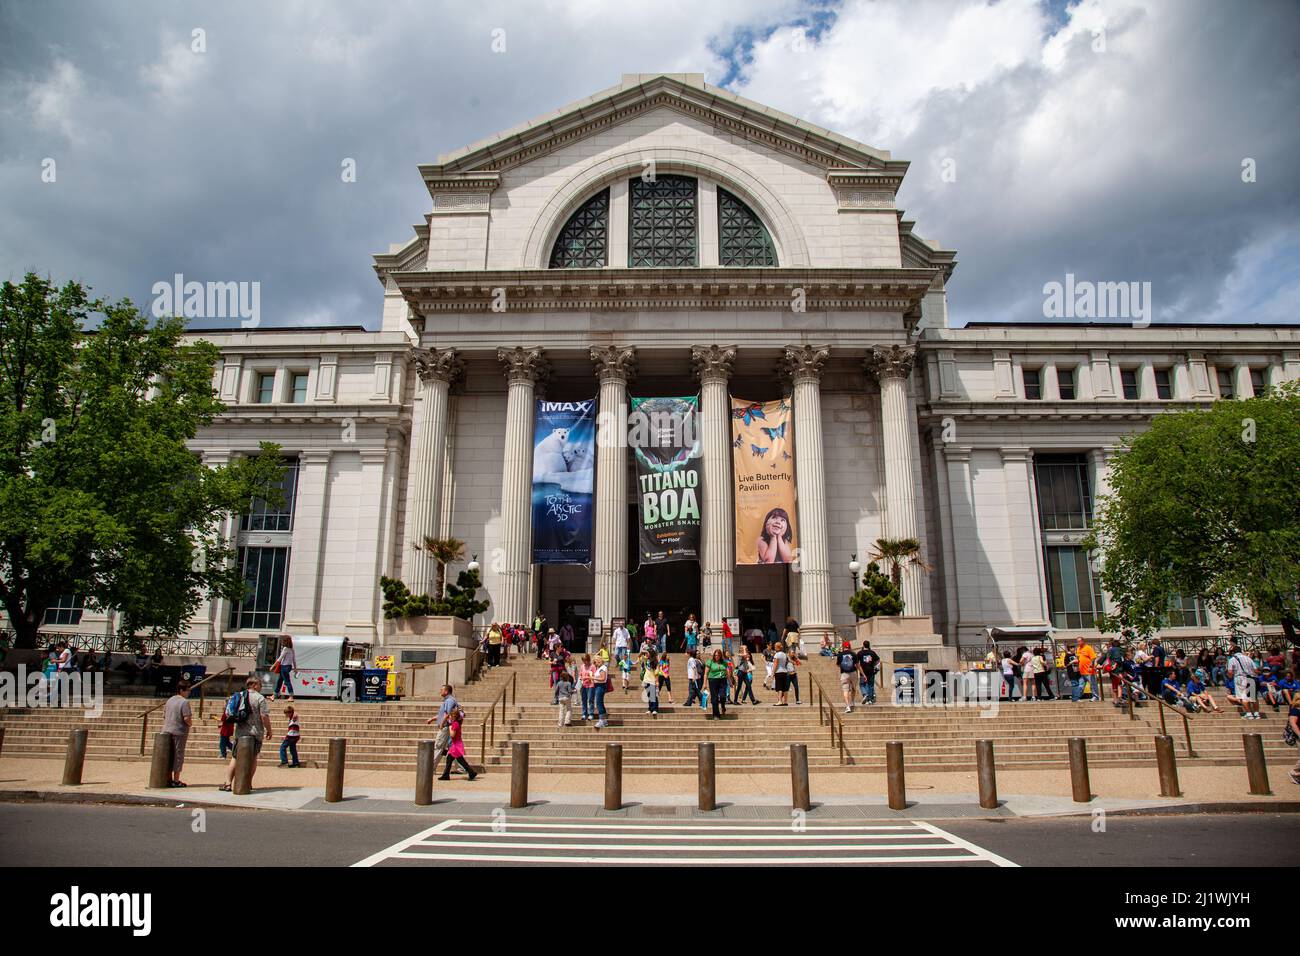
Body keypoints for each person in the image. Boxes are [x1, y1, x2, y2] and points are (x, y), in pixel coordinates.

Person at [221, 676, 271, 792]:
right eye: (260, 684)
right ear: (253, 685)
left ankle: (228, 783)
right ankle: (247, 782)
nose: (261, 687)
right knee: (253, 758)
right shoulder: (260, 698)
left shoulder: (238, 695)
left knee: (235, 757)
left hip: (240, 731)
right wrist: (269, 729)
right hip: (255, 732)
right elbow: (264, 716)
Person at [162, 679, 193, 788]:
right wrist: (190, 724)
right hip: (179, 732)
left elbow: (164, 715)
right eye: (187, 690)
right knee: (178, 755)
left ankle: (166, 777)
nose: (189, 692)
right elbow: (186, 718)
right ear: (181, 690)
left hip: (167, 730)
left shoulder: (169, 700)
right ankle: (176, 779)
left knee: (168, 755)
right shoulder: (184, 702)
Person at [425, 685, 461, 769]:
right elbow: (443, 714)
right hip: (448, 727)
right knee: (451, 747)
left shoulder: (449, 701)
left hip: (446, 727)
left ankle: (431, 768)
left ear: (447, 691)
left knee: (438, 746)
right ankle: (460, 767)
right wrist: (433, 719)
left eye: (442, 690)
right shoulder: (449, 700)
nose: (440, 691)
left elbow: (448, 714)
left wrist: (442, 723)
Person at [437, 709, 477, 781]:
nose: (451, 718)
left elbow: (452, 735)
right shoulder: (455, 723)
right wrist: (446, 720)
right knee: (450, 759)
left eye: (452, 716)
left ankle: (472, 772)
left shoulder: (455, 724)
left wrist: (449, 727)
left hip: (456, 746)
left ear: (454, 717)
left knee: (461, 761)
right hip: (455, 745)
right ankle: (446, 775)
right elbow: (441, 727)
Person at [1226, 643, 1260, 720]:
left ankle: (1249, 714)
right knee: (1253, 697)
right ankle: (1256, 713)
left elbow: (1230, 672)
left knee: (1243, 697)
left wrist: (1230, 676)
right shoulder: (1248, 658)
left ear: (1233, 652)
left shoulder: (1232, 659)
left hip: (1239, 678)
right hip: (1250, 677)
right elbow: (1256, 670)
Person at [835, 640, 858, 714]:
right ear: (849, 646)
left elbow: (838, 664)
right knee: (854, 688)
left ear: (843, 646)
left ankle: (847, 706)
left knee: (845, 690)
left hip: (844, 674)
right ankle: (852, 702)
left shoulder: (840, 655)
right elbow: (857, 665)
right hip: (853, 673)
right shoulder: (853, 654)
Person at [705, 649, 729, 719]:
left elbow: (727, 673)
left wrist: (730, 681)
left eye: (718, 655)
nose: (717, 656)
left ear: (720, 655)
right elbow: (705, 674)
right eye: (715, 655)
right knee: (714, 698)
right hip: (712, 680)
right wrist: (704, 684)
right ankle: (716, 714)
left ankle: (723, 706)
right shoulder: (710, 662)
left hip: (723, 680)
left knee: (723, 696)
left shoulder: (724, 663)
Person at [271, 635, 295, 701]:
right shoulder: (292, 649)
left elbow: (280, 659)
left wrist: (273, 666)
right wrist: (295, 668)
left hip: (284, 666)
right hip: (289, 666)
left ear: (285, 641)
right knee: (280, 681)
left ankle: (291, 696)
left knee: (287, 681)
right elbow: (294, 660)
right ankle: (274, 695)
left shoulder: (285, 649)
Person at [856, 640, 880, 705]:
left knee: (862, 684)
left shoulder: (860, 653)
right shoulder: (872, 653)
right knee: (871, 685)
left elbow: (856, 662)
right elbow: (878, 660)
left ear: (863, 645)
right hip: (871, 671)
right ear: (869, 645)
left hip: (863, 671)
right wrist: (874, 665)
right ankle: (870, 700)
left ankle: (865, 694)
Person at [592, 655, 610, 728]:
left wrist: (592, 677)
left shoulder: (602, 668)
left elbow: (602, 678)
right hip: (598, 686)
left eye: (595, 662)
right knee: (600, 703)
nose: (594, 664)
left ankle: (601, 720)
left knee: (599, 703)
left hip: (600, 686)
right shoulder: (600, 668)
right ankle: (604, 720)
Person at [578, 654, 596, 722]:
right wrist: (580, 678)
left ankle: (591, 714)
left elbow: (594, 676)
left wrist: (588, 677)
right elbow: (580, 674)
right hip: (583, 685)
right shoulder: (582, 666)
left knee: (590, 700)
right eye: (584, 661)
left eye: (586, 661)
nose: (585, 662)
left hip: (591, 685)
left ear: (588, 660)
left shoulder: (593, 666)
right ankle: (584, 713)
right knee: (584, 700)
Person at [771, 641, 790, 706]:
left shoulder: (777, 654)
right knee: (785, 687)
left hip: (779, 672)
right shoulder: (784, 654)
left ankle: (779, 701)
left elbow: (775, 664)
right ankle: (785, 701)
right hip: (784, 671)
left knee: (779, 687)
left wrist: (772, 673)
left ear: (776, 647)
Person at [643, 651, 661, 717]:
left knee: (653, 695)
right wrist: (645, 651)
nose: (646, 654)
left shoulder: (656, 663)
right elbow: (641, 654)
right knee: (649, 696)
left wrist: (657, 681)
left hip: (652, 680)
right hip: (646, 680)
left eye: (648, 653)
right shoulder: (646, 660)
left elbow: (656, 673)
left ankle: (655, 709)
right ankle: (650, 709)